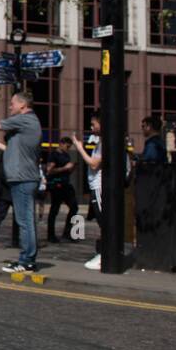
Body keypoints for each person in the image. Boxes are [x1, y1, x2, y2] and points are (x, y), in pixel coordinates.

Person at [0, 91, 42, 273]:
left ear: (23, 105)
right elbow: (18, 150)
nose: (10, 106)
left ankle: (27, 261)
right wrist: (3, 147)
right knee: (25, 220)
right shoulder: (29, 123)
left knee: (25, 221)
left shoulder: (25, 119)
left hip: (23, 178)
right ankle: (26, 259)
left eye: (13, 103)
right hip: (23, 177)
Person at [69, 115, 107, 270]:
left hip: (98, 186)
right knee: (102, 221)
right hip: (96, 186)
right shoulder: (102, 141)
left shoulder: (105, 143)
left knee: (103, 222)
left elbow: (93, 164)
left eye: (93, 124)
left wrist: (79, 147)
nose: (91, 128)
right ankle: (104, 254)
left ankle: (104, 255)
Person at [45, 139, 79, 243]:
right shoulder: (54, 155)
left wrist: (72, 168)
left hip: (66, 184)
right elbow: (49, 171)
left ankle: (67, 232)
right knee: (54, 209)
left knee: (74, 207)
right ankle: (51, 235)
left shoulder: (66, 155)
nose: (68, 149)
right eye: (67, 146)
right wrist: (64, 168)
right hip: (56, 185)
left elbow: (67, 171)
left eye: (69, 147)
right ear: (61, 144)